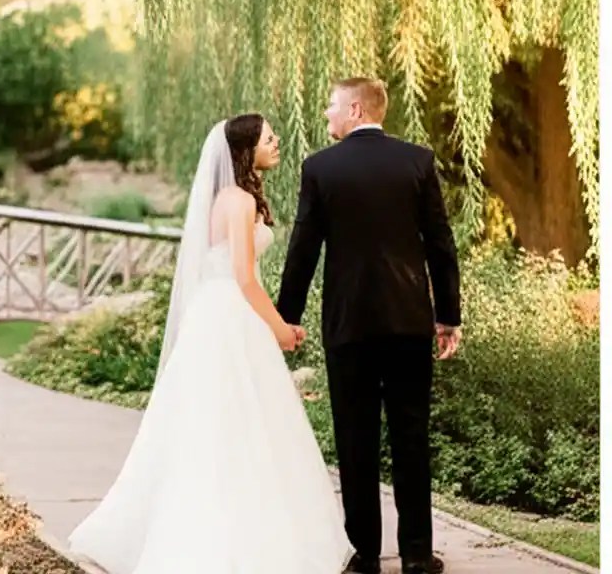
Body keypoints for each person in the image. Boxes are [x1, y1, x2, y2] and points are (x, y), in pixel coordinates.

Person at [67, 114, 352, 573]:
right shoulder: (239, 200)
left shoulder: (227, 198)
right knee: (240, 423)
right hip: (231, 316)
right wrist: (280, 328)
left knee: (223, 423)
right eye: (268, 138)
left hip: (219, 313)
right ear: (245, 150)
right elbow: (244, 277)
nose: (276, 142)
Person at [278, 77, 461, 574]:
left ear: (356, 110)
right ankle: (417, 555)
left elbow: (303, 249)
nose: (326, 113)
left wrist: (286, 318)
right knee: (411, 435)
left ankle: (365, 555)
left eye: (332, 104)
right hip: (408, 321)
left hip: (349, 324)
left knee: (355, 438)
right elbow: (440, 244)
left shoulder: (321, 168)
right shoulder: (417, 162)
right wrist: (448, 316)